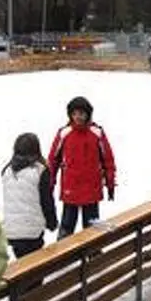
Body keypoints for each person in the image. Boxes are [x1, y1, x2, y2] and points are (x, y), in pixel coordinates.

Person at [48, 97, 116, 238]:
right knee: (67, 227)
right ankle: (63, 256)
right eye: (74, 114)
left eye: (81, 114)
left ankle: (93, 255)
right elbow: (53, 160)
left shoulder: (97, 133)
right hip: (71, 189)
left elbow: (108, 159)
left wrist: (110, 183)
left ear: (88, 114)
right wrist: (50, 182)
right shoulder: (64, 133)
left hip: (91, 189)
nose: (78, 117)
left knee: (92, 229)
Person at [2, 133, 58, 259]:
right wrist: (52, 222)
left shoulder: (7, 170)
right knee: (34, 264)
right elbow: (46, 201)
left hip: (11, 229)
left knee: (22, 261)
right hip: (32, 231)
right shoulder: (40, 171)